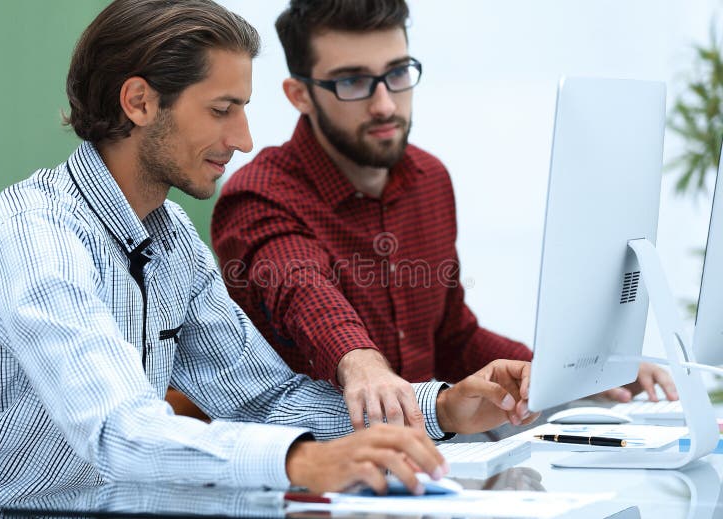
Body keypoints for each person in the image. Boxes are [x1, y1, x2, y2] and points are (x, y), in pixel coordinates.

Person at [0, 0, 537, 503]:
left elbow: (263, 399)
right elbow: (120, 433)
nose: (243, 140)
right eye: (222, 110)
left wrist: (445, 408)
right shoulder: (36, 236)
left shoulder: (170, 242)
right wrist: (304, 460)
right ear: (138, 103)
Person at [211, 0, 677, 431]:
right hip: (315, 470)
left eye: (397, 73)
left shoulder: (429, 179)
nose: (385, 104)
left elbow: (453, 338)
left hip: (431, 463)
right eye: (352, 82)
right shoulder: (259, 193)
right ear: (300, 95)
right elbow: (301, 287)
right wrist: (361, 362)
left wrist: (576, 371)